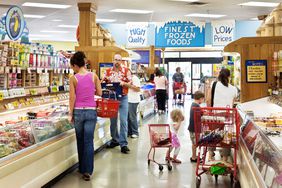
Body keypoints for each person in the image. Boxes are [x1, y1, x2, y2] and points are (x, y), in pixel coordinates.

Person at [69, 51, 102, 181]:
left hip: (78, 112)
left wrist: (70, 113)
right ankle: (87, 171)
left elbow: (72, 98)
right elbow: (99, 92)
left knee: (80, 140)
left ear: (76, 65)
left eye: (72, 66)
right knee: (89, 141)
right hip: (91, 112)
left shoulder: (73, 78)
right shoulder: (94, 76)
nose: (73, 69)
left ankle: (81, 167)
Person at [103, 54, 132, 154]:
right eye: (115, 59)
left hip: (123, 98)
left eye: (119, 60)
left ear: (121, 61)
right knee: (113, 122)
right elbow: (103, 83)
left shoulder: (126, 71)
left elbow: (131, 84)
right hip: (112, 99)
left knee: (123, 121)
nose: (117, 61)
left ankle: (123, 144)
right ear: (112, 60)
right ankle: (115, 140)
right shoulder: (107, 71)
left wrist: (123, 83)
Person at [209, 68, 238, 161]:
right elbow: (232, 103)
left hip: (216, 114)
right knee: (226, 136)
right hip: (228, 115)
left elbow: (209, 100)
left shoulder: (214, 84)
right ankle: (225, 159)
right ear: (229, 77)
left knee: (214, 134)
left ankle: (210, 156)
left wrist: (210, 112)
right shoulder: (234, 89)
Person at [188, 91, 205, 163]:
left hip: (192, 128)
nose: (203, 100)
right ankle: (194, 157)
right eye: (203, 99)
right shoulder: (197, 106)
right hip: (194, 128)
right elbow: (201, 115)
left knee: (194, 143)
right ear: (200, 99)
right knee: (195, 144)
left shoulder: (193, 104)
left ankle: (194, 156)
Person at [128, 69, 141, 138]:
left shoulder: (135, 78)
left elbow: (138, 89)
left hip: (133, 100)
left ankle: (135, 132)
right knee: (128, 117)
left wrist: (129, 85)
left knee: (132, 117)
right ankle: (129, 132)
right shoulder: (125, 79)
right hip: (127, 100)